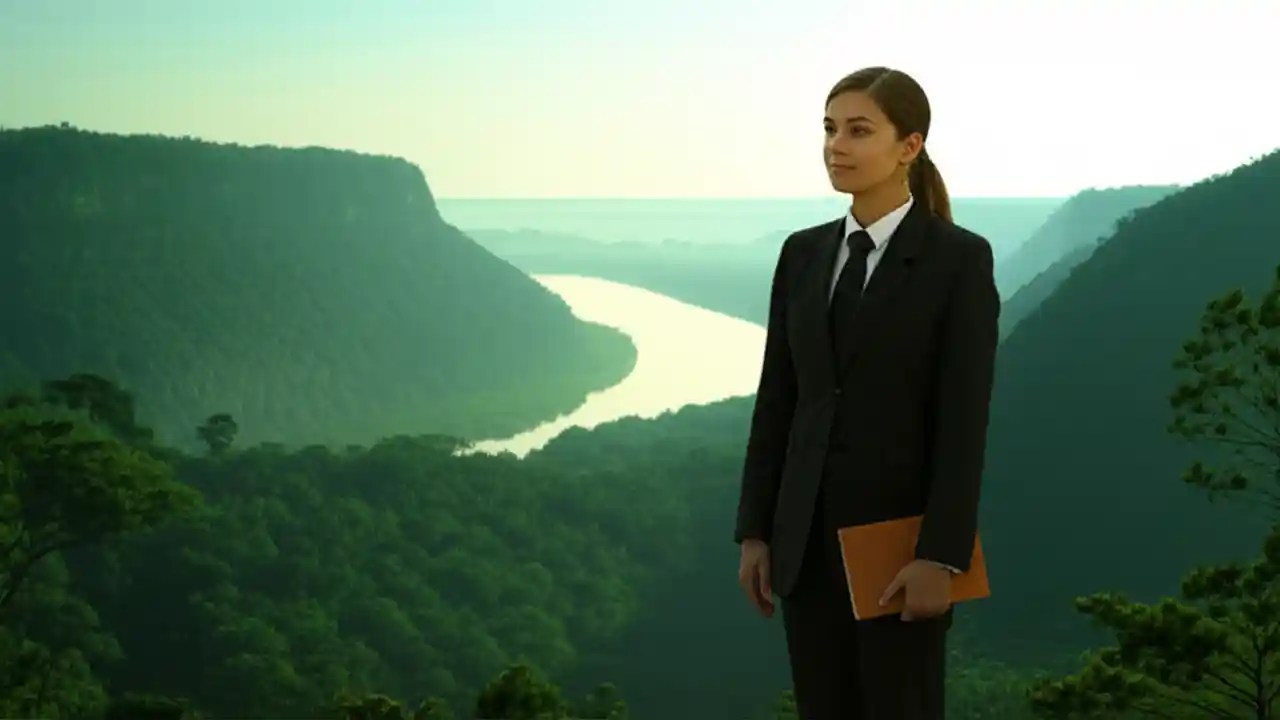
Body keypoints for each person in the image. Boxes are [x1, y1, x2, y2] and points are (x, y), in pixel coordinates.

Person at [733, 66, 1000, 719]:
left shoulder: (957, 260)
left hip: (900, 552)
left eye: (858, 130)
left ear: (909, 146)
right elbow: (779, 400)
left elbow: (962, 420)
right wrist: (755, 533)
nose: (835, 146)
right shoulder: (802, 254)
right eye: (828, 129)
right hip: (803, 550)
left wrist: (941, 554)